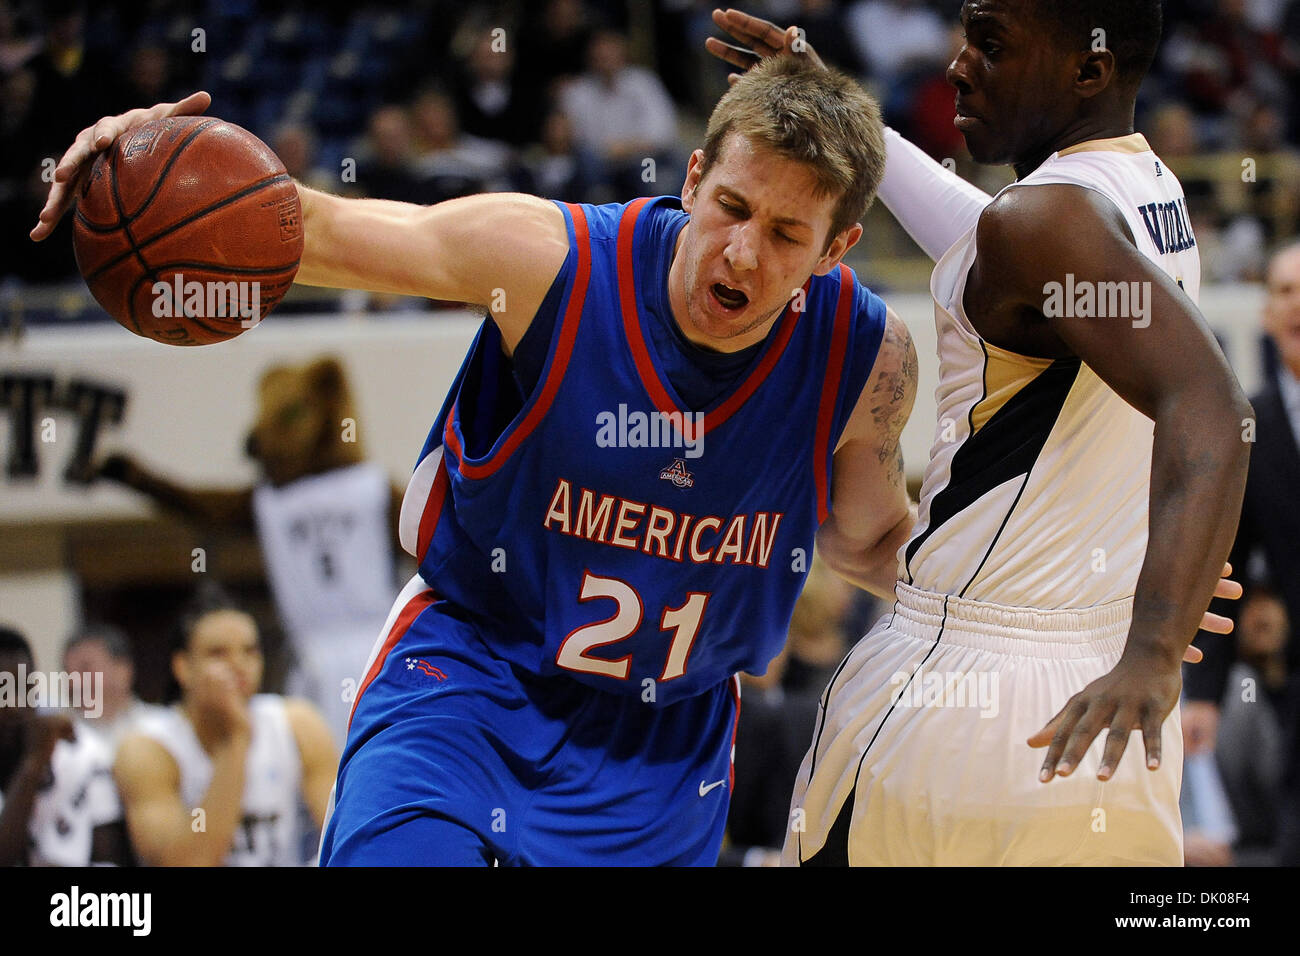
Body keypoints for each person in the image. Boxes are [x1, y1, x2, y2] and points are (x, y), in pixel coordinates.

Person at [33, 56, 919, 866]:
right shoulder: (548, 262)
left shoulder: (863, 358)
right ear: (693, 178)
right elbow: (320, 229)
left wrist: (1028, 614)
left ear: (837, 248)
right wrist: (156, 161)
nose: (741, 252)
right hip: (470, 678)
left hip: (664, 743)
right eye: (731, 207)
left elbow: (872, 543)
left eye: (785, 235)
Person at [710, 2, 1250, 865]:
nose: (958, 66)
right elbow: (990, 244)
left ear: (1090, 69)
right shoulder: (1145, 193)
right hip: (1099, 700)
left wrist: (1156, 636)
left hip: (963, 692)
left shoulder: (1043, 223)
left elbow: (1215, 409)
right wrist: (1151, 614)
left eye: (991, 45)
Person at [1188, 240, 1300, 864]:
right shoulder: (1250, 428)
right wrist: (1204, 691)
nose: (1296, 306)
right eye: (1284, 291)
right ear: (1265, 314)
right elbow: (1222, 568)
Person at [111, 591, 337, 866]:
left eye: (250, 651)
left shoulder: (298, 723)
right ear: (182, 667)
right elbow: (187, 862)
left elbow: (344, 836)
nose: (238, 665)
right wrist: (234, 740)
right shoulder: (146, 747)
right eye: (218, 653)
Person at [0, 625, 130, 866]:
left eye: (22, 689)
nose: (14, 705)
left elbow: (109, 858)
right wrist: (32, 764)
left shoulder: (82, 752)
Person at [62, 622, 164, 751]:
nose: (74, 682)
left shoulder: (164, 729)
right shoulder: (58, 741)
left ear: (122, 670)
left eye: (85, 668)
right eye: (67, 672)